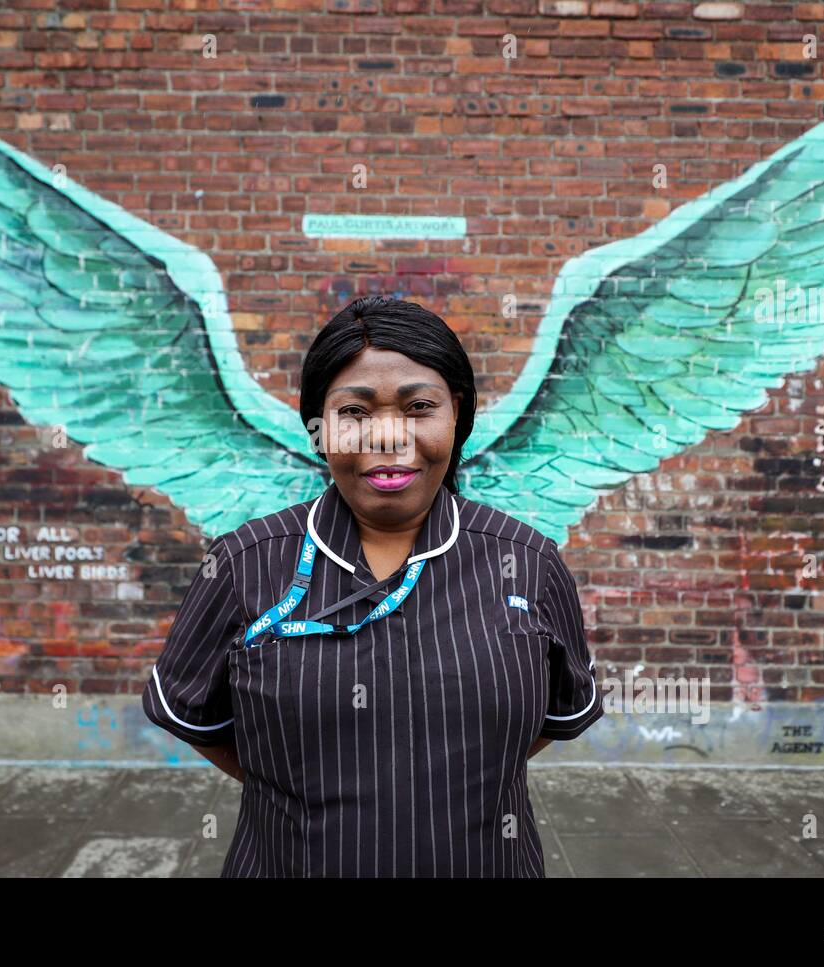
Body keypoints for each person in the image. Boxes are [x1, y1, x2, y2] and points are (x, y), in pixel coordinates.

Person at [142, 295, 602, 877]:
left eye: (419, 407)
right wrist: (307, 791)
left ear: (456, 414)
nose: (386, 437)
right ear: (318, 428)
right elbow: (194, 718)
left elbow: (555, 718)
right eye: (354, 412)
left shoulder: (528, 563)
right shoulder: (242, 565)